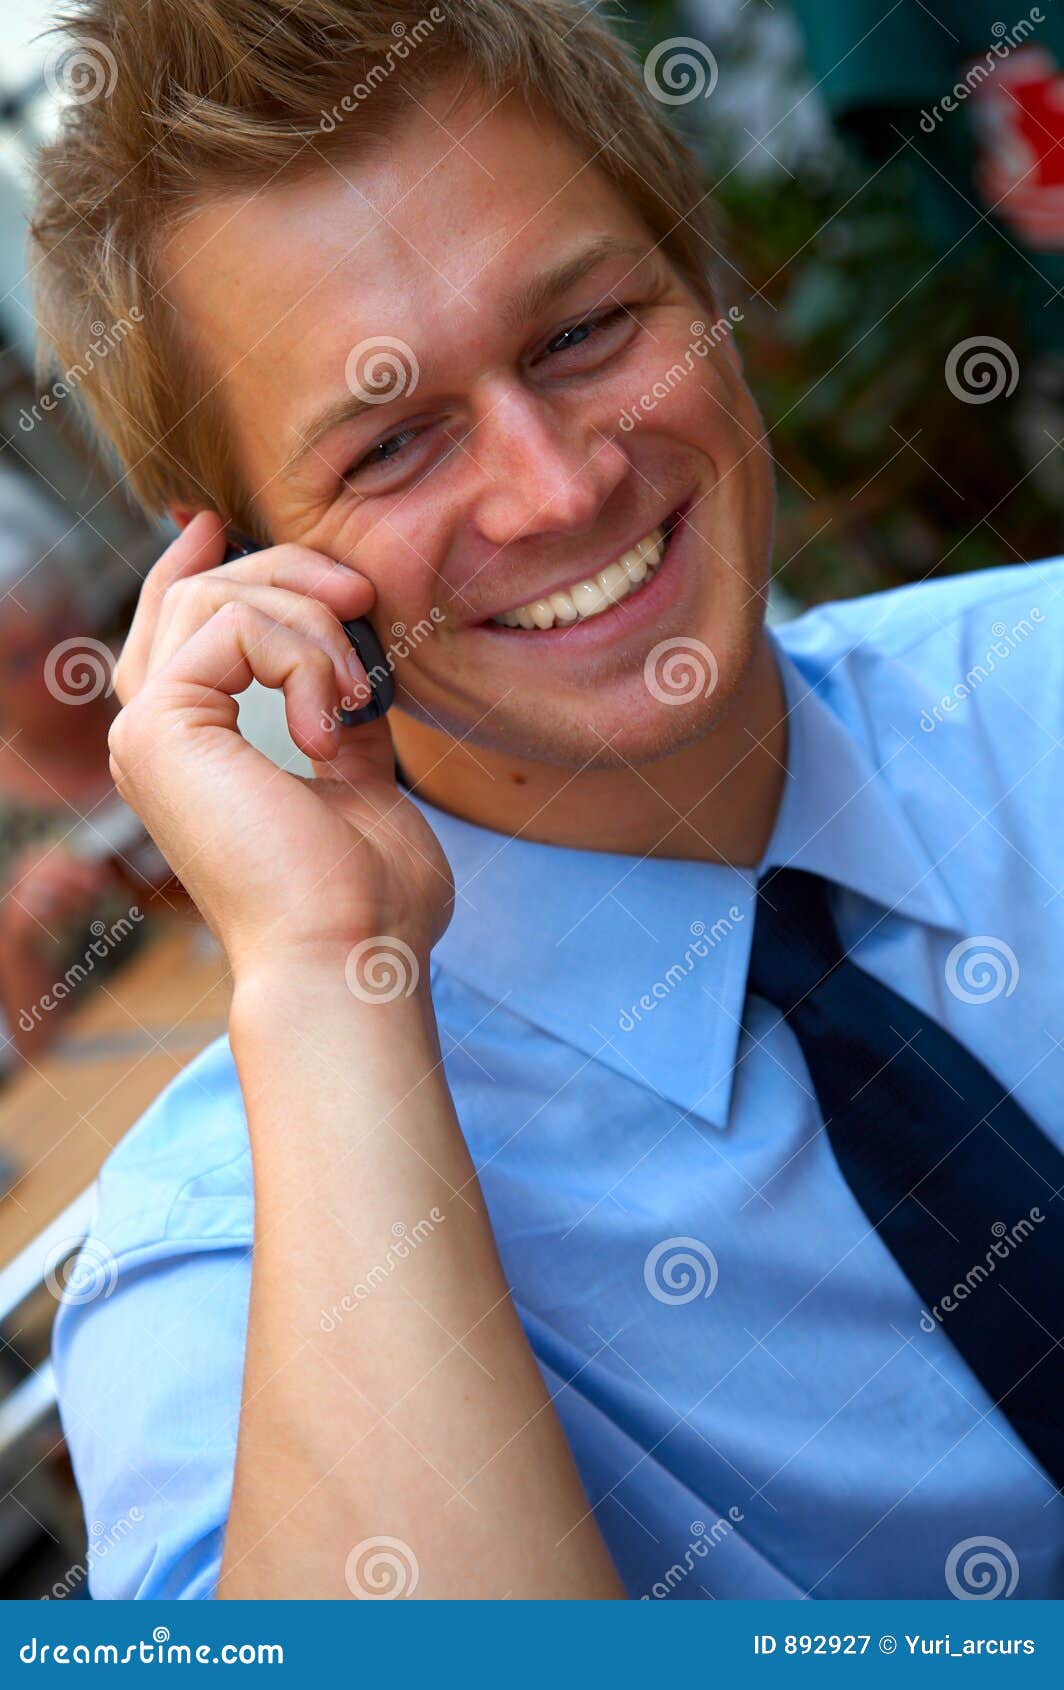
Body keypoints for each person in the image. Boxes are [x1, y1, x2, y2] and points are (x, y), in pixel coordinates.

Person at [29, 0, 1062, 1600]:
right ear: (245, 577)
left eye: (583, 334)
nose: (562, 484)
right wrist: (318, 980)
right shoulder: (229, 1271)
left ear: (711, 293)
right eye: (391, 444)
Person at [0, 468, 121, 1071]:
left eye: (59, 626)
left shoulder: (171, 689)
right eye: (22, 659)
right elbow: (38, 1053)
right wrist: (17, 938)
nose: (59, 663)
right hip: (136, 1074)